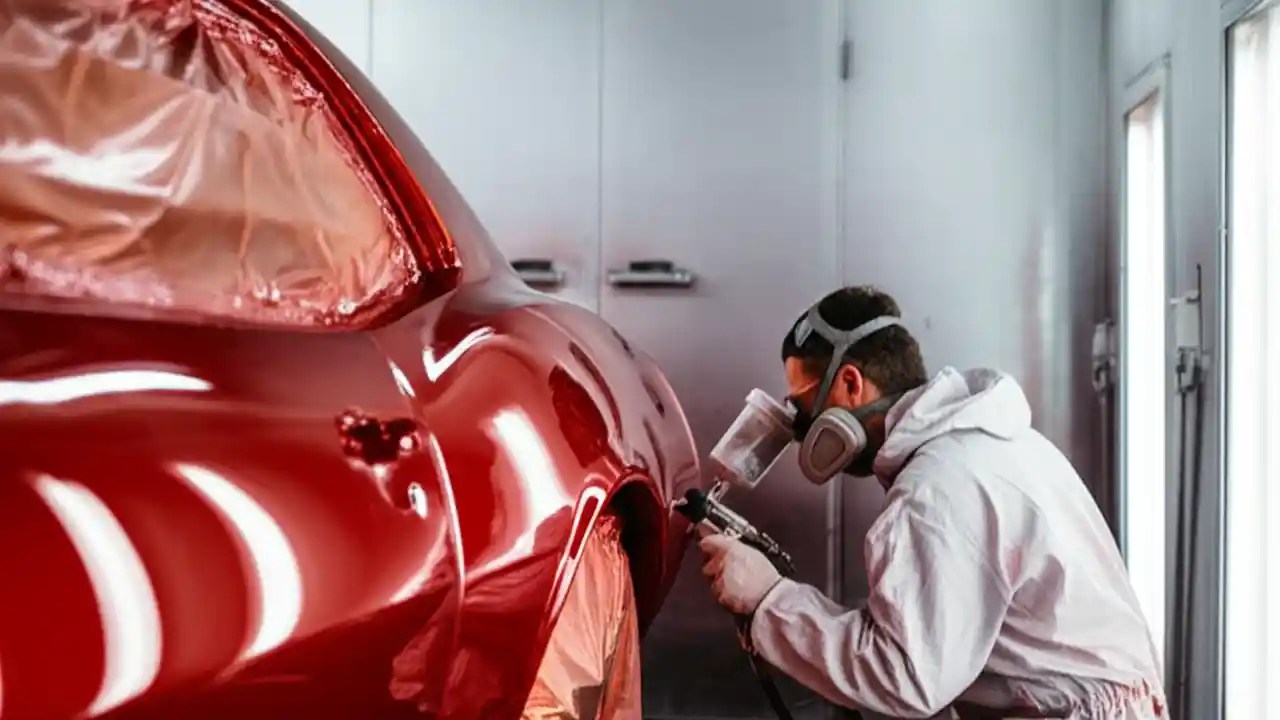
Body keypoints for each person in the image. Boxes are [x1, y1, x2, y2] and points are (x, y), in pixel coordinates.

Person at [698, 286, 1167, 719]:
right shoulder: (986, 443)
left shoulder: (937, 486)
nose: (801, 427)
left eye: (801, 404)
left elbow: (906, 676)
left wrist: (768, 600)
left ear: (850, 384)